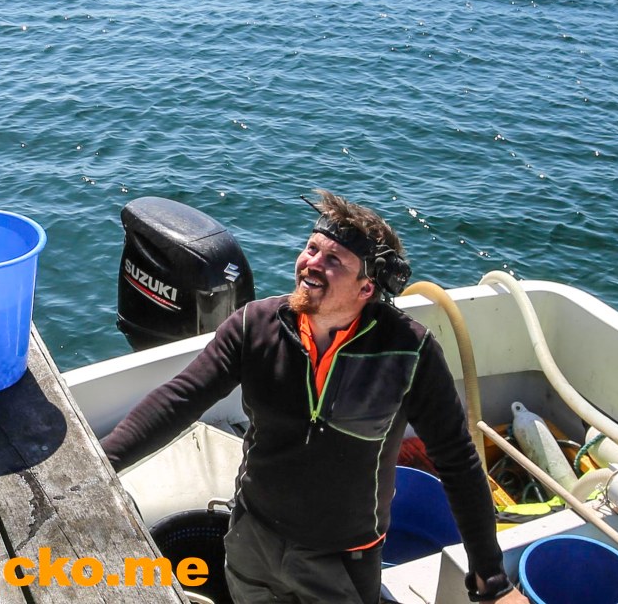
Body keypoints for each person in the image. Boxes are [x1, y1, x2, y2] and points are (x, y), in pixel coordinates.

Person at [100, 194, 525, 604]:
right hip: (254, 539)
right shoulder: (254, 326)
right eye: (312, 248)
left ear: (366, 288)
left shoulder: (409, 354)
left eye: (334, 260)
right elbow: (179, 399)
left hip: (344, 561)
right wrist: (101, 467)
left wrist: (492, 577)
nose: (311, 264)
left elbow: (459, 462)